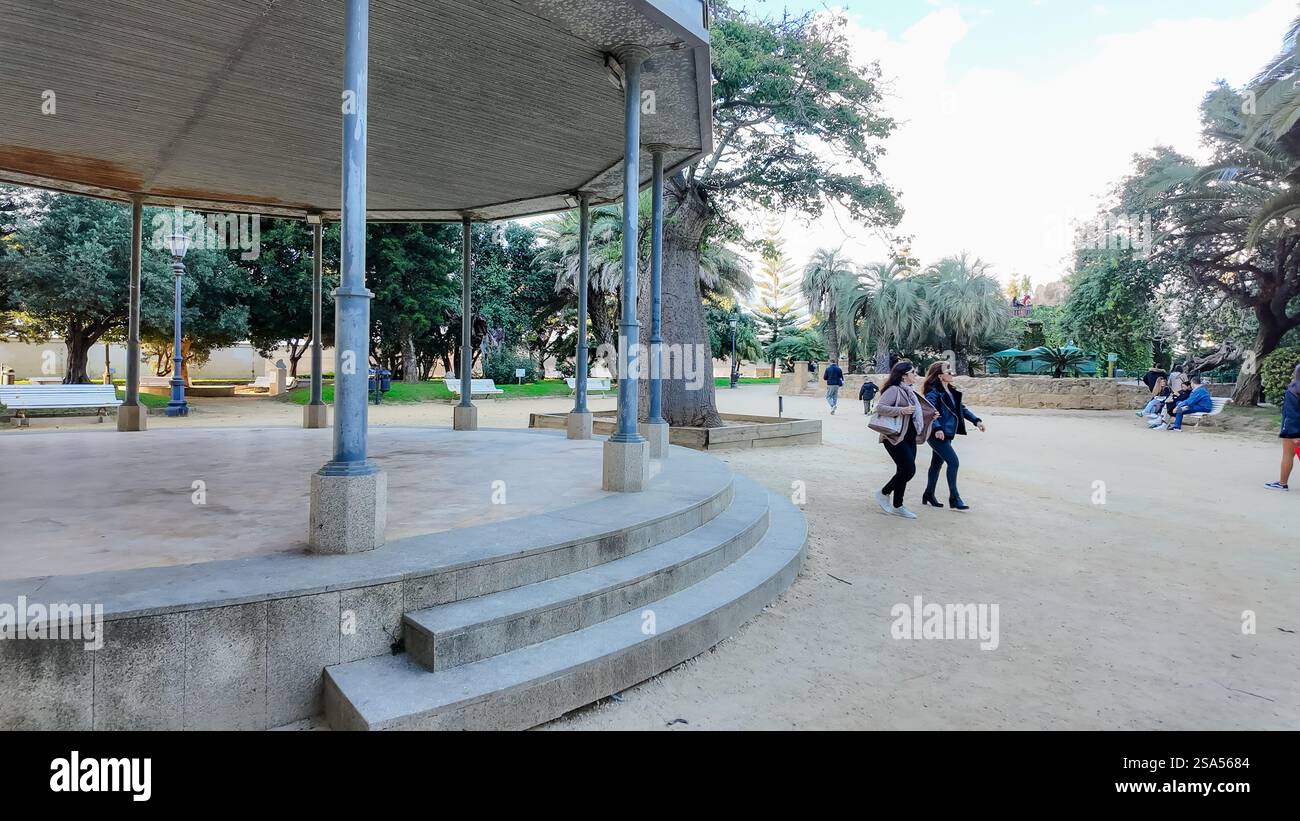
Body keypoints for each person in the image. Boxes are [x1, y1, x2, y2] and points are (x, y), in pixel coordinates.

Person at [873, 360, 937, 520]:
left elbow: (916, 413)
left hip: (909, 436)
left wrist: (931, 416)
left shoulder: (910, 391)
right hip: (893, 436)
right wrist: (901, 410)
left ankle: (898, 506)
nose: (915, 375)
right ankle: (883, 493)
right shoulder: (894, 389)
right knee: (909, 470)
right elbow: (880, 407)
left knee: (903, 470)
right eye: (913, 372)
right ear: (903, 376)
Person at [920, 362, 986, 510]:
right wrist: (937, 428)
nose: (951, 373)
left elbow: (962, 409)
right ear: (940, 376)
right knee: (953, 462)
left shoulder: (951, 391)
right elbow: (930, 411)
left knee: (936, 464)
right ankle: (954, 498)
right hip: (937, 433)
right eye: (948, 371)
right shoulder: (933, 392)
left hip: (947, 433)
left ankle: (928, 494)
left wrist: (977, 421)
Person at [1266, 363, 1300, 490]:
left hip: (1294, 430)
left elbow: (1291, 414)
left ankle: (1282, 483)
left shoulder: (1293, 390)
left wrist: (1292, 433)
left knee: (1287, 455)